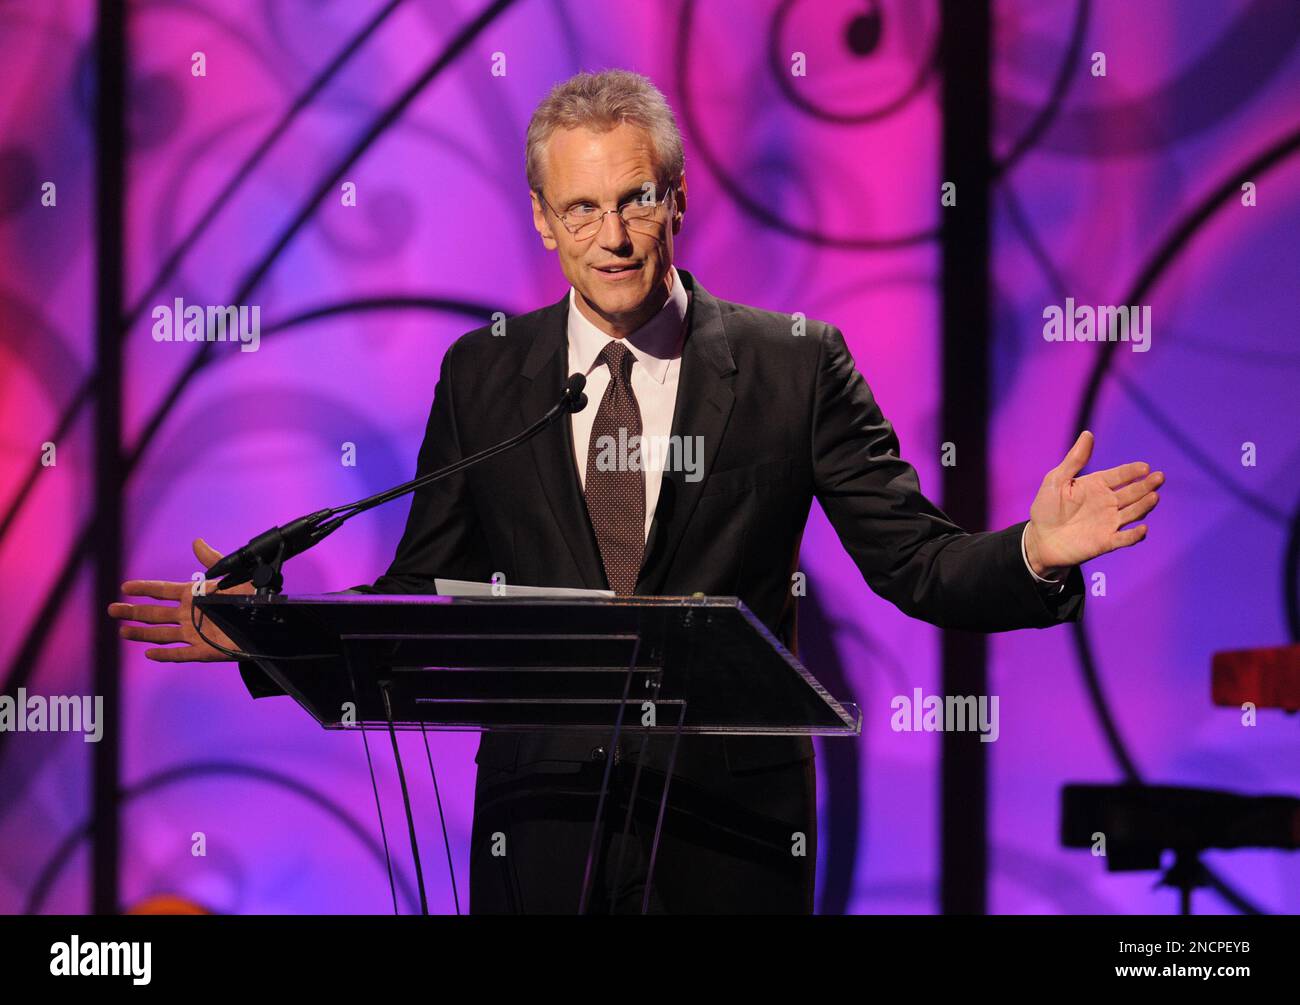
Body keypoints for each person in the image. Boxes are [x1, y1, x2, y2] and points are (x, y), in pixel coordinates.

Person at [108, 69, 1163, 914]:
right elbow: (423, 594)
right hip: (541, 820)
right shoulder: (487, 372)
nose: (610, 238)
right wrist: (274, 638)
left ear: (676, 200)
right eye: (580, 210)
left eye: (633, 202)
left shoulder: (794, 364)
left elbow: (914, 561)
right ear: (540, 219)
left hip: (729, 834)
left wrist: (1031, 551)